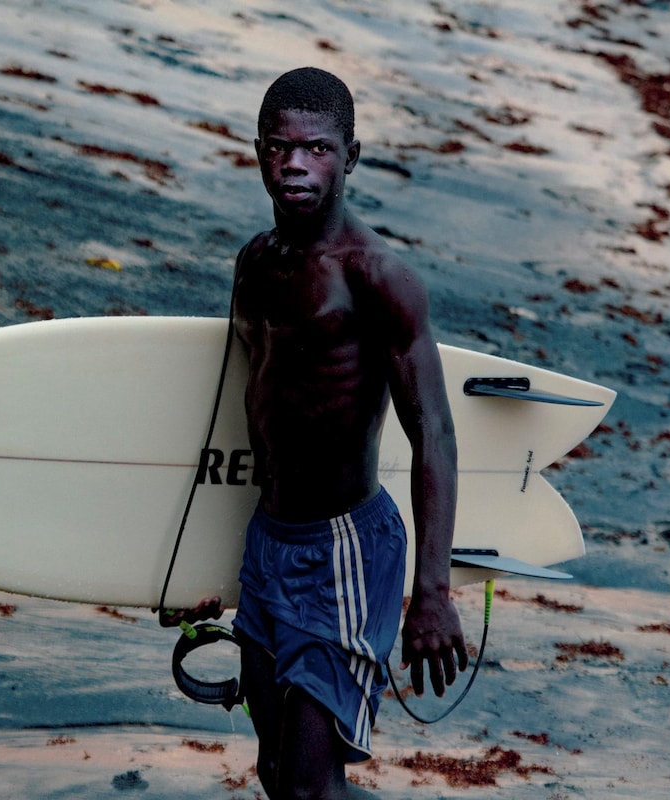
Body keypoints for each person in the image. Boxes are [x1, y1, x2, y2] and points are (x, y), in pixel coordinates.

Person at [228, 66, 467, 799]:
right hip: (268, 542)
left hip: (343, 553)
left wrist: (431, 591)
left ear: (350, 156)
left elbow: (433, 432)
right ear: (259, 152)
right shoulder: (255, 264)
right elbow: (251, 412)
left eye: (318, 149)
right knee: (277, 773)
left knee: (307, 786)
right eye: (279, 147)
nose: (296, 164)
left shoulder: (378, 276)